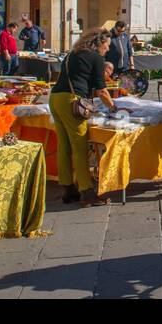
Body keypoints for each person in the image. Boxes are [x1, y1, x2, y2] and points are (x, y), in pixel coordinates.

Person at [51, 29, 117, 206]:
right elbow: (101, 90)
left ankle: (67, 188)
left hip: (55, 99)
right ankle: (87, 191)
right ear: (99, 43)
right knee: (80, 147)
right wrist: (114, 107)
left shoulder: (72, 54)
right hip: (72, 103)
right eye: (107, 45)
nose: (108, 49)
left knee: (64, 146)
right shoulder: (96, 58)